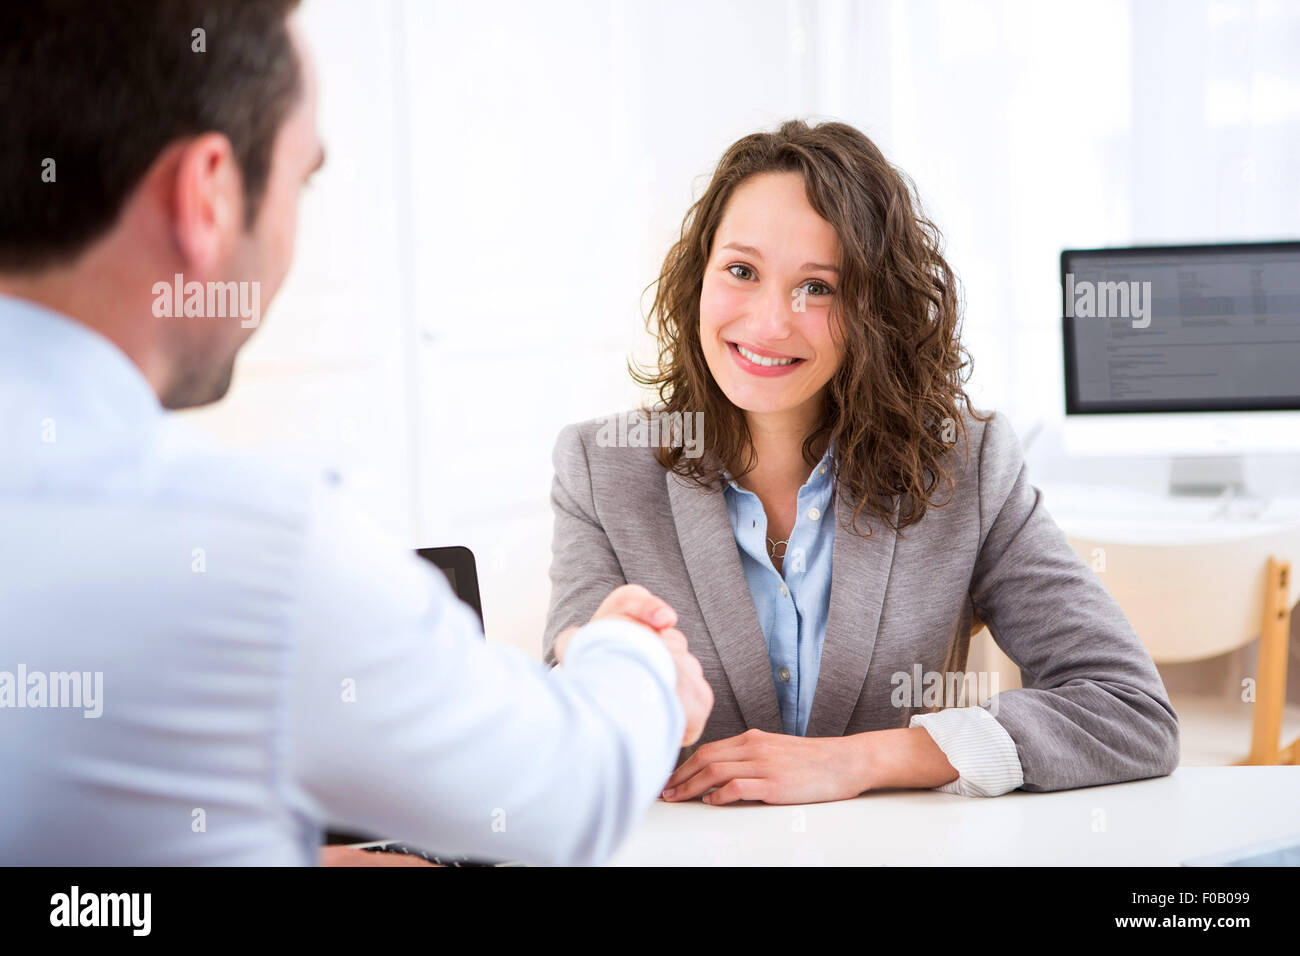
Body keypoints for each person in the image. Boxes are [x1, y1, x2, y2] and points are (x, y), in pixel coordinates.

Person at [0, 0, 711, 866]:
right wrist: (635, 659)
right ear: (207, 195)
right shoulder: (249, 551)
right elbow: (566, 791)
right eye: (302, 181)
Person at [543, 120, 1179, 805]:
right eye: (741, 271)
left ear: (875, 310)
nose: (768, 322)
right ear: (699, 274)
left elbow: (1130, 711)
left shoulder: (968, 466)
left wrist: (870, 759)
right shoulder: (600, 469)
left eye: (817, 287)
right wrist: (604, 671)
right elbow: (553, 736)